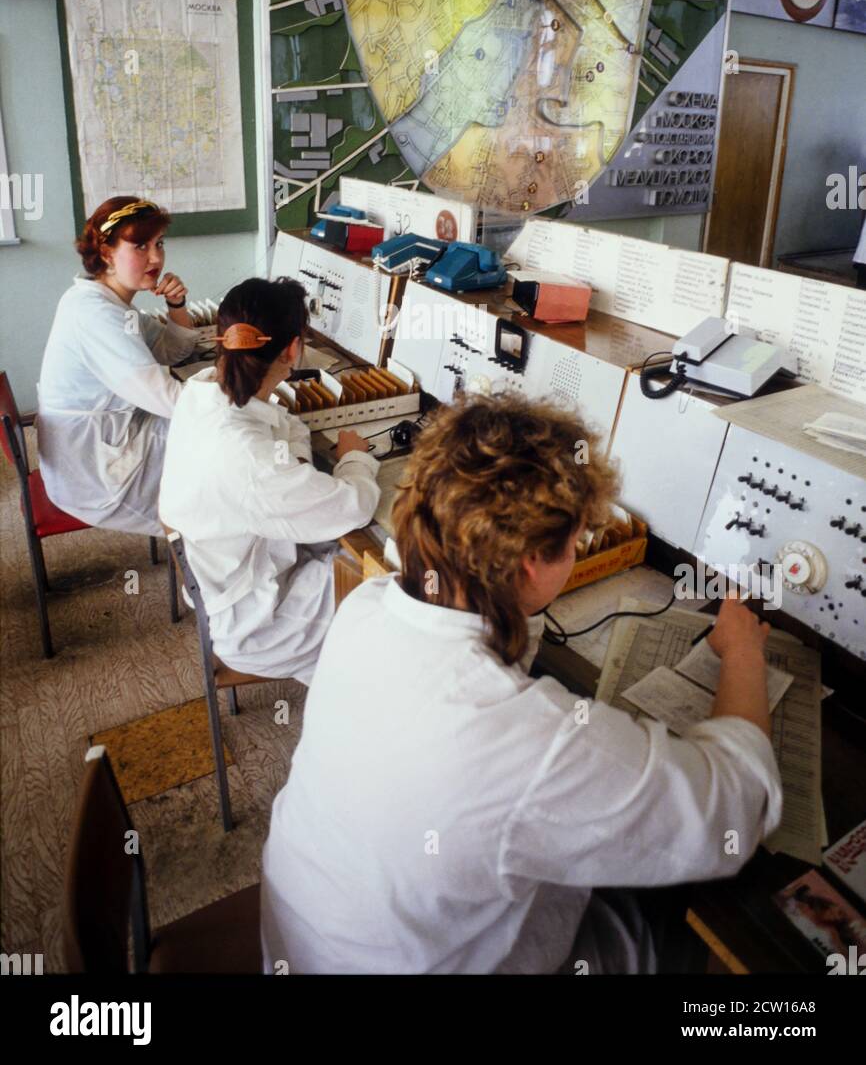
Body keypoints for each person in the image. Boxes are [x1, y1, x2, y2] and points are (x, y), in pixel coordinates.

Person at [260, 392, 783, 974]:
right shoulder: (524, 735)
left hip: (307, 944)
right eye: (576, 539)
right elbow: (739, 806)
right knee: (674, 909)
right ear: (533, 561)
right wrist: (741, 654)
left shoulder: (369, 605)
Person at [158, 276, 380, 683]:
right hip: (258, 628)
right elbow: (357, 506)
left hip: (234, 582)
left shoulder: (200, 390)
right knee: (388, 577)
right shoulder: (252, 462)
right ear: (294, 350)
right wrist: (354, 457)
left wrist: (295, 462)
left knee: (348, 554)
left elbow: (285, 425)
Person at [37, 196, 200, 535]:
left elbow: (173, 350)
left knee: (215, 444)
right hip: (92, 473)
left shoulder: (107, 302)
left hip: (111, 439)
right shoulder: (95, 314)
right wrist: (241, 399)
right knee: (218, 459)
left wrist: (177, 303)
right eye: (140, 246)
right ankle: (207, 550)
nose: (156, 257)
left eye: (159, 243)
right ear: (107, 254)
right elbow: (169, 400)